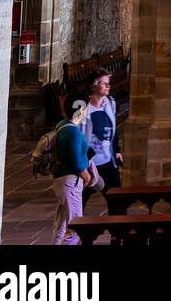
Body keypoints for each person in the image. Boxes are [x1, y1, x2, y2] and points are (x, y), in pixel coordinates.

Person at [52, 99, 92, 245]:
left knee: (61, 225)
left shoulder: (62, 125)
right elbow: (77, 161)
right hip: (70, 182)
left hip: (60, 180)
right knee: (76, 228)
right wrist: (86, 175)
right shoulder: (73, 131)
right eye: (86, 107)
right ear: (81, 110)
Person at [81, 70, 122, 204]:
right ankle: (73, 225)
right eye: (104, 83)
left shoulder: (110, 103)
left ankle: (116, 225)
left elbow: (112, 129)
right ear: (94, 86)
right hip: (89, 164)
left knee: (116, 201)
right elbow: (78, 137)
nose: (108, 86)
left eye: (108, 83)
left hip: (108, 161)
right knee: (79, 202)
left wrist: (117, 150)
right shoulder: (83, 108)